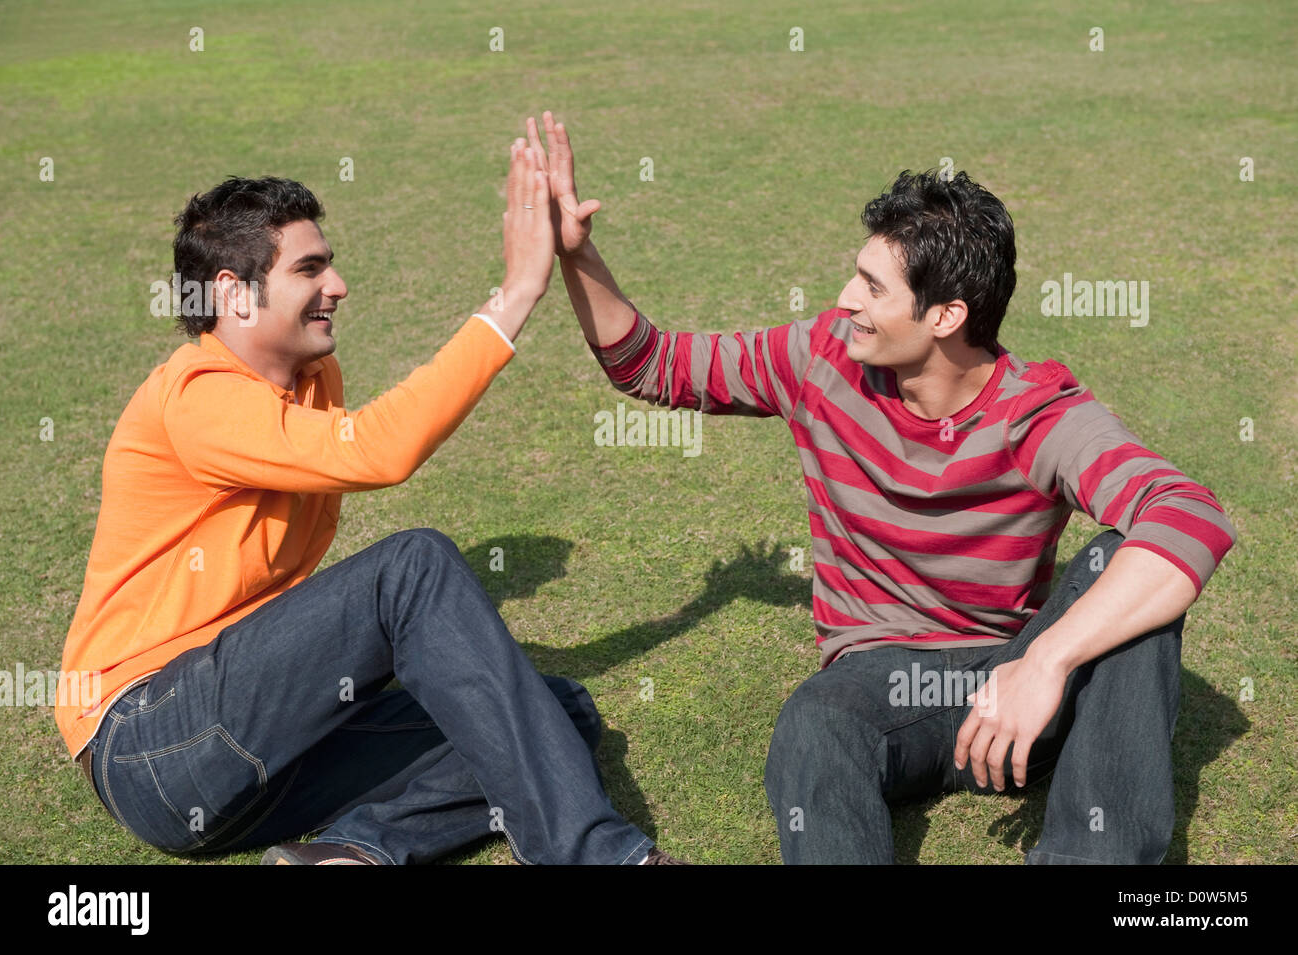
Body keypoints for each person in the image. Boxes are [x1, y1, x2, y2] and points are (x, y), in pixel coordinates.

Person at [523, 110, 1237, 864]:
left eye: (872, 286)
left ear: (946, 315)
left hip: (1009, 680)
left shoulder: (1036, 413)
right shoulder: (820, 360)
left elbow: (1187, 515)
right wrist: (579, 253)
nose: (844, 299)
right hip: (881, 685)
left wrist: (1045, 661)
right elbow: (652, 366)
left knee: (1126, 558)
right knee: (816, 719)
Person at [56, 144, 682, 864]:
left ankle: (356, 853)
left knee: (553, 715)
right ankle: (604, 857)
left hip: (263, 757)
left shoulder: (317, 377)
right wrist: (516, 291)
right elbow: (377, 452)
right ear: (232, 293)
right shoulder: (194, 395)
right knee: (411, 568)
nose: (340, 285)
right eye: (309, 268)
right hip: (153, 744)